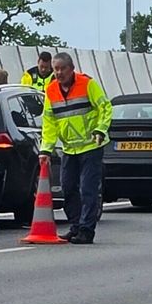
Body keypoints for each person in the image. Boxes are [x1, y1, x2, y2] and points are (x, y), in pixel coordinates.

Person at [40, 52, 112, 245]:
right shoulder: (51, 90)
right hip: (69, 148)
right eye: (56, 69)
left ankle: (87, 230)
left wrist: (100, 130)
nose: (59, 72)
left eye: (63, 68)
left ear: (72, 69)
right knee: (68, 187)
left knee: (88, 189)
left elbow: (105, 107)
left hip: (91, 146)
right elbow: (49, 122)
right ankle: (76, 226)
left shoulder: (88, 84)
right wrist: (45, 149)